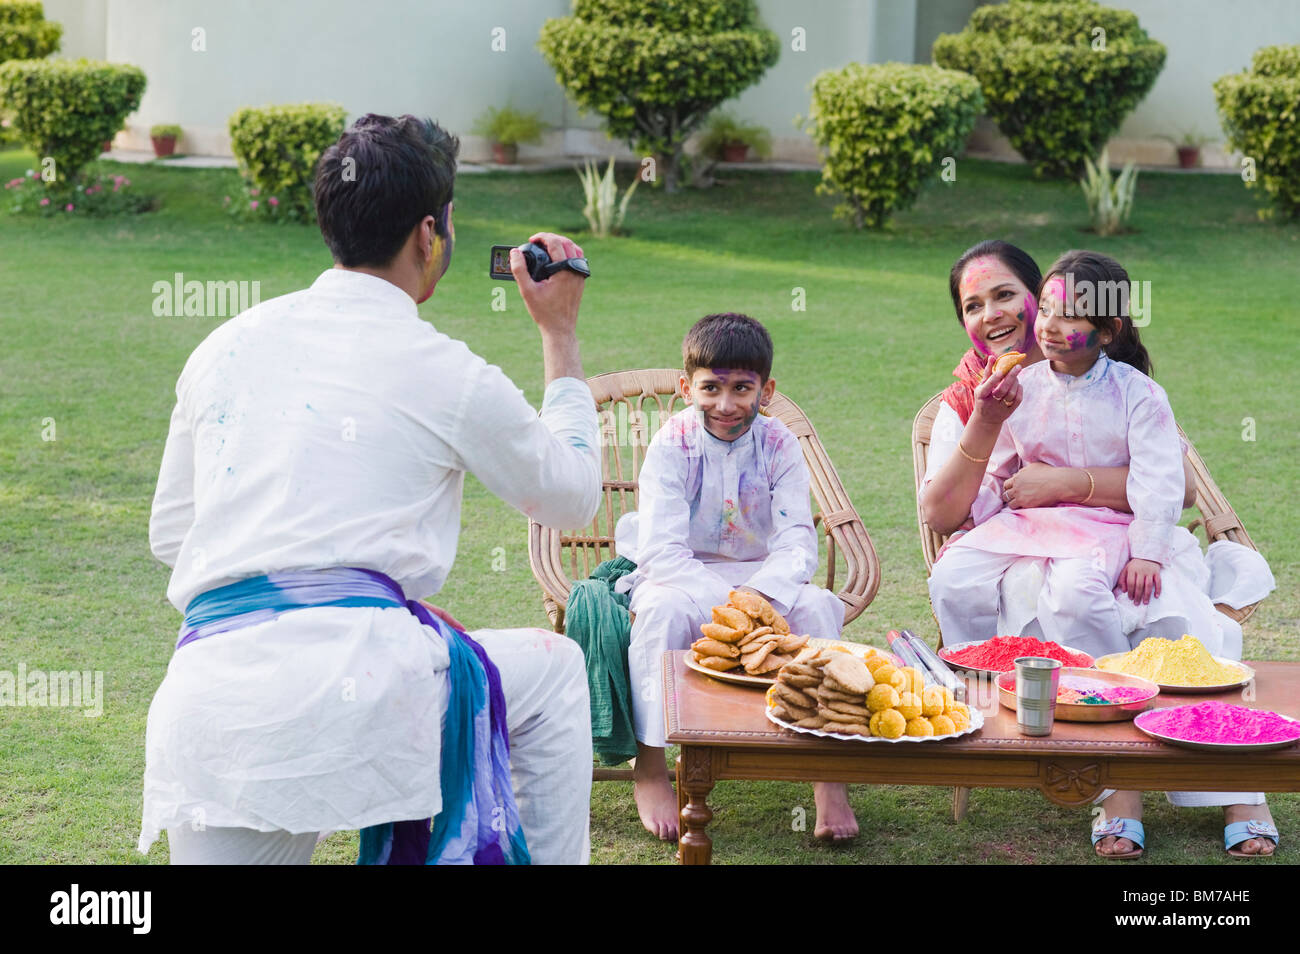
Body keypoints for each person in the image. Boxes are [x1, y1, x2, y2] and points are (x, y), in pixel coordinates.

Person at [139, 114, 601, 864]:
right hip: (367, 689)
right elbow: (574, 498)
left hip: (213, 700)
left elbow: (172, 537)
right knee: (555, 670)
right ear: (430, 234)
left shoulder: (222, 346)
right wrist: (560, 337)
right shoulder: (446, 370)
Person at [928, 249, 1276, 860]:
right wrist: (980, 504)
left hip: (1109, 533)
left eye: (1069, 315)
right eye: (973, 305)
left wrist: (1144, 549)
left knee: (1101, 598)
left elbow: (1164, 483)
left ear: (1108, 329)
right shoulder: (1002, 389)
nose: (1049, 326)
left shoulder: (1136, 393)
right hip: (1030, 530)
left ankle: (1145, 764)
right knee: (954, 573)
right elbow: (988, 482)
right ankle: (990, 715)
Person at [613, 313, 853, 842]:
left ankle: (828, 776)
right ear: (686, 387)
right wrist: (728, 601)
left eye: (742, 388)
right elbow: (661, 548)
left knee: (814, 609)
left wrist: (756, 595)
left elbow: (796, 540)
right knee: (660, 612)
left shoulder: (780, 444)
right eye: (711, 387)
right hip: (680, 575)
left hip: (763, 577)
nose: (726, 404)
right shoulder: (670, 444)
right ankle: (651, 765)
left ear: (766, 391)